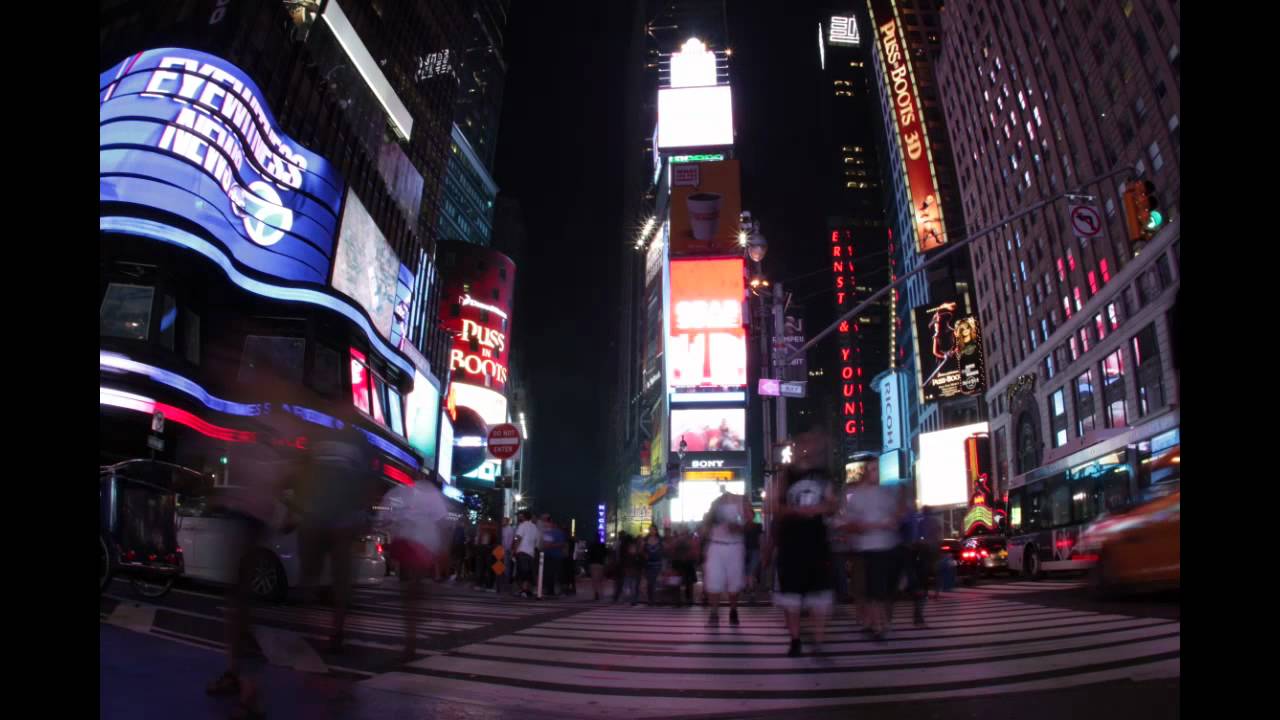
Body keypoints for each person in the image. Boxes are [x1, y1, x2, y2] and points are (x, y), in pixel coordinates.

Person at [204, 412, 300, 719]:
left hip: (249, 522)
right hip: (249, 521)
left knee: (241, 608)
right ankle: (237, 677)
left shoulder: (258, 454)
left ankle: (248, 690)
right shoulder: (267, 455)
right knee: (239, 605)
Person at [297, 421, 376, 653]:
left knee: (313, 573)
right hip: (340, 517)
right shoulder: (358, 440)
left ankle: (313, 630)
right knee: (337, 577)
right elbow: (368, 480)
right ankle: (334, 632)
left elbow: (303, 475)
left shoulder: (318, 434)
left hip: (322, 515)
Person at [770, 430, 838, 657]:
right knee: (791, 597)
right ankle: (795, 639)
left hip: (816, 541)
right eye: (803, 445)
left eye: (812, 444)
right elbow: (775, 506)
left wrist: (818, 509)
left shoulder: (823, 475)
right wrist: (796, 511)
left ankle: (818, 640)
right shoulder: (786, 475)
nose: (807, 449)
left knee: (819, 595)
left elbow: (833, 504)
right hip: (791, 543)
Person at [378, 480, 448, 662]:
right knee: (414, 591)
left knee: (410, 592)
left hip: (407, 542)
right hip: (422, 544)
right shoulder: (431, 494)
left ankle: (411, 639)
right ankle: (414, 637)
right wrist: (442, 549)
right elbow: (442, 522)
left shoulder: (401, 492)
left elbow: (384, 517)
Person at [841, 478, 906, 641]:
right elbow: (850, 524)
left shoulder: (884, 494)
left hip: (884, 549)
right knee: (869, 589)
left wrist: (891, 520)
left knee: (877, 589)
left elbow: (897, 516)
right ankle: (874, 623)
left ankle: (876, 623)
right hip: (864, 550)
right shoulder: (858, 497)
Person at [702, 488, 751, 626]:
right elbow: (706, 525)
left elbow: (750, 520)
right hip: (716, 545)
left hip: (734, 545)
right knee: (714, 580)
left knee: (734, 582)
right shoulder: (716, 503)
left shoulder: (742, 501)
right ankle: (714, 612)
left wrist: (739, 527)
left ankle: (733, 610)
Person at [904, 504, 942, 626]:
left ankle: (918, 612)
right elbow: (938, 535)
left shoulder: (920, 522)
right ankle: (919, 611)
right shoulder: (933, 522)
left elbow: (918, 538)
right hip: (927, 553)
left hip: (920, 553)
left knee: (920, 582)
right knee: (926, 580)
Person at [512, 510, 540, 598]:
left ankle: (523, 590)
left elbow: (518, 538)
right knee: (528, 572)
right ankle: (526, 589)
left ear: (523, 517)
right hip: (531, 552)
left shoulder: (522, 525)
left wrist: (514, 549)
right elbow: (537, 542)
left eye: (520, 516)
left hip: (522, 551)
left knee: (521, 572)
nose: (519, 517)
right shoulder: (534, 527)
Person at [540, 514, 567, 597]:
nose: (545, 524)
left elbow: (562, 544)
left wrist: (551, 545)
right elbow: (543, 544)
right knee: (548, 573)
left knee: (557, 573)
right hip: (547, 555)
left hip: (556, 556)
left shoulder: (558, 532)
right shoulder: (545, 533)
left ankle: (559, 590)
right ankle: (550, 590)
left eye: (546, 522)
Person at [670, 527, 698, 607]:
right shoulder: (680, 541)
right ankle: (681, 601)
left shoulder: (686, 541)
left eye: (684, 533)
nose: (683, 535)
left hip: (685, 563)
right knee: (679, 583)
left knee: (686, 583)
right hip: (680, 563)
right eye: (682, 533)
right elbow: (672, 551)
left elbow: (693, 552)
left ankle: (684, 600)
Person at [612, 532, 641, 603]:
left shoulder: (622, 545)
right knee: (628, 584)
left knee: (625, 584)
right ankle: (630, 598)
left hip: (626, 568)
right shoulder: (628, 549)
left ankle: (622, 597)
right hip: (627, 569)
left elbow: (616, 555)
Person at [641, 525, 665, 606]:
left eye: (653, 529)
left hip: (658, 563)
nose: (652, 531)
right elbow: (641, 550)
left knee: (656, 582)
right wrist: (644, 555)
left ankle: (656, 599)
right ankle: (650, 599)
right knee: (650, 582)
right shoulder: (645, 540)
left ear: (656, 530)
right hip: (648, 564)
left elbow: (664, 550)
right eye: (651, 529)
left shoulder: (660, 540)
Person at [743, 514, 764, 604]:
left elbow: (760, 538)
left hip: (755, 550)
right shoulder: (743, 526)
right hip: (746, 550)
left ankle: (751, 591)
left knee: (751, 571)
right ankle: (751, 591)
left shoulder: (758, 526)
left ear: (753, 515)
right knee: (748, 571)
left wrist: (762, 550)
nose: (748, 516)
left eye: (749, 514)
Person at [586, 536, 608, 600]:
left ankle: (596, 592)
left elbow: (588, 555)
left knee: (594, 580)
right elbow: (605, 554)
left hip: (593, 564)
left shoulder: (591, 546)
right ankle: (601, 592)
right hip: (600, 564)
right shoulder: (602, 546)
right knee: (600, 579)